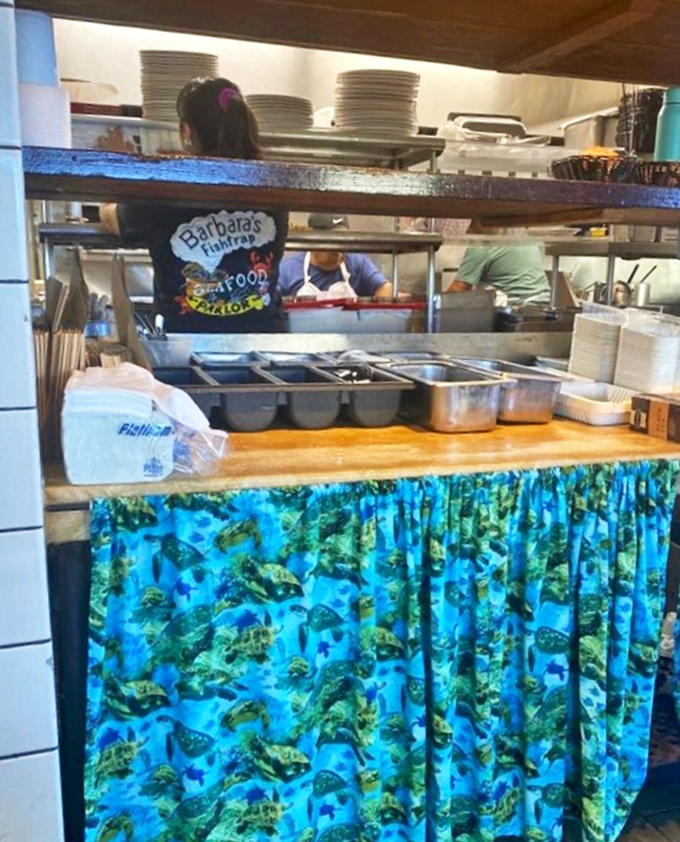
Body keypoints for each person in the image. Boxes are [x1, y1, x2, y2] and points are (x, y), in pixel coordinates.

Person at [100, 77, 288, 332]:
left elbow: (111, 218)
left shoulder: (168, 186)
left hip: (186, 348)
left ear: (186, 132)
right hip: (266, 343)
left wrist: (117, 169)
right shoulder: (272, 185)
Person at [278, 214, 393, 298]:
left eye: (343, 240)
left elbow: (385, 288)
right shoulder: (288, 270)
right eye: (332, 240)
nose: (340, 249)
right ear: (312, 239)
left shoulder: (356, 261)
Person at [447, 243, 551, 306]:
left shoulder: (481, 246)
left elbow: (458, 291)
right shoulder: (523, 236)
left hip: (518, 313)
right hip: (546, 305)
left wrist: (433, 306)